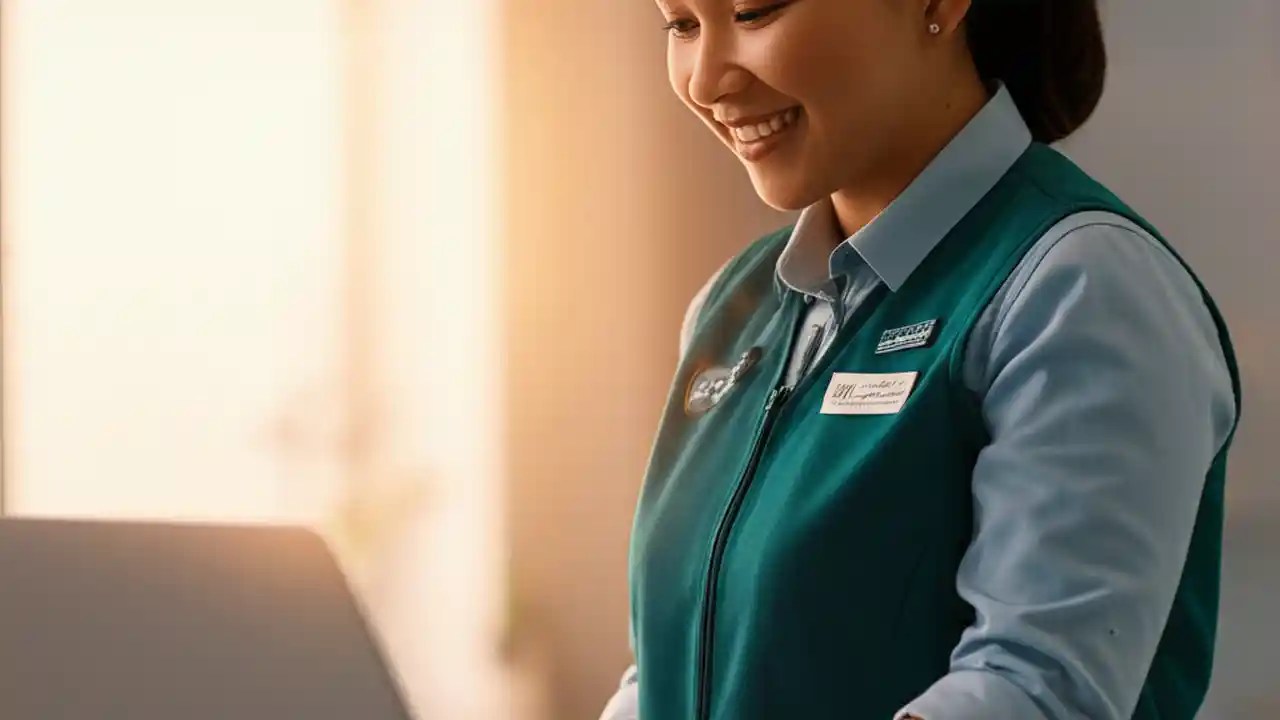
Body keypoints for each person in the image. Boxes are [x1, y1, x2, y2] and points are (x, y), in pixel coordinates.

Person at [598, 0, 1243, 719]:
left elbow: (1033, 691)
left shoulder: (1077, 286)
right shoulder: (732, 306)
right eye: (681, 25)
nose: (706, 80)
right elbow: (670, 670)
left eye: (753, 11)